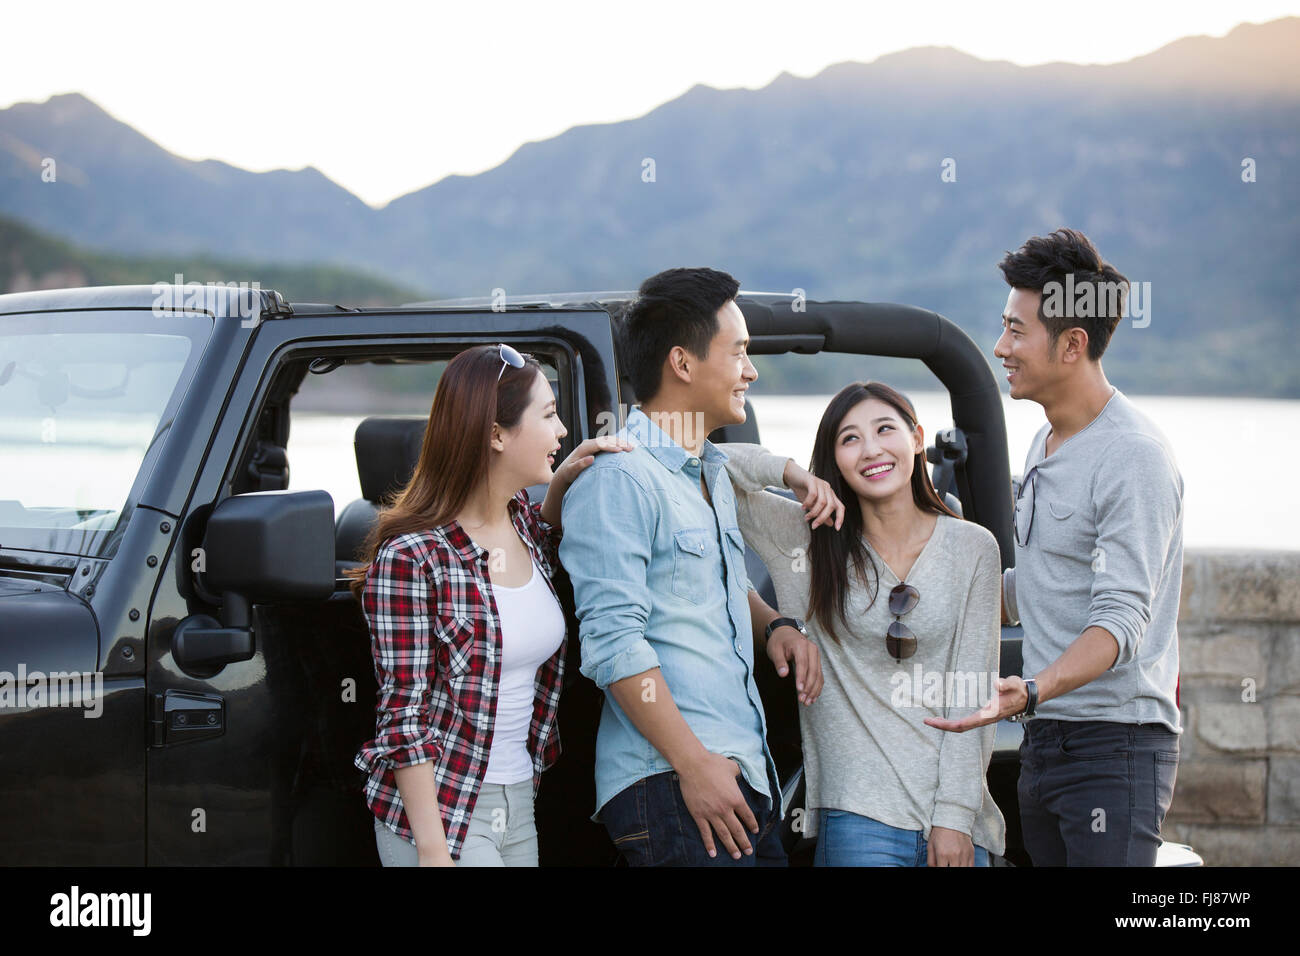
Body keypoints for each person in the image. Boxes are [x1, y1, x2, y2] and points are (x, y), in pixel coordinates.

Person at [927, 227, 1184, 867]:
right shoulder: (1047, 444)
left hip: (1113, 749)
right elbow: (1038, 588)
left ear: (1072, 344)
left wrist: (1032, 690)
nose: (1000, 347)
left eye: (1017, 331)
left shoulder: (1131, 456)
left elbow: (1121, 621)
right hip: (1046, 742)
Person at [559, 267, 822, 867]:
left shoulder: (708, 473)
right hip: (674, 784)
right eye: (740, 353)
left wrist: (776, 626)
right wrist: (693, 763)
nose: (751, 371)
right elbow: (613, 644)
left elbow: (711, 586)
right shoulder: (620, 478)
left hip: (738, 777)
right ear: (682, 362)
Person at [346, 344, 630, 866]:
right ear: (496, 434)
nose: (563, 430)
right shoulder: (412, 557)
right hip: (445, 812)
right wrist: (433, 852)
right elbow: (402, 718)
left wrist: (564, 476)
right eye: (548, 416)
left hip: (519, 796)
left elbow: (542, 530)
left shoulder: (522, 520)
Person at [718, 381, 1006, 866]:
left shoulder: (973, 548)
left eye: (885, 429)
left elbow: (973, 692)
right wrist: (789, 473)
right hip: (856, 817)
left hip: (955, 820)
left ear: (916, 438)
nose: (871, 449)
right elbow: (705, 466)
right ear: (834, 461)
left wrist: (954, 819)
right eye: (849, 439)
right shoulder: (808, 538)